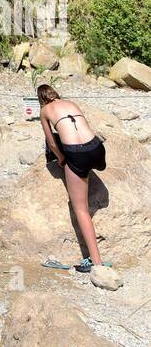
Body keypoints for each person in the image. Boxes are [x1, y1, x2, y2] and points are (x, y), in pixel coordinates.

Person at [37, 84, 108, 271]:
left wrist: (61, 158)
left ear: (41, 99)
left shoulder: (45, 110)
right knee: (89, 159)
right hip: (96, 148)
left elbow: (51, 142)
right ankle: (93, 166)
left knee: (80, 209)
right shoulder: (70, 102)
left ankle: (96, 262)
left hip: (77, 154)